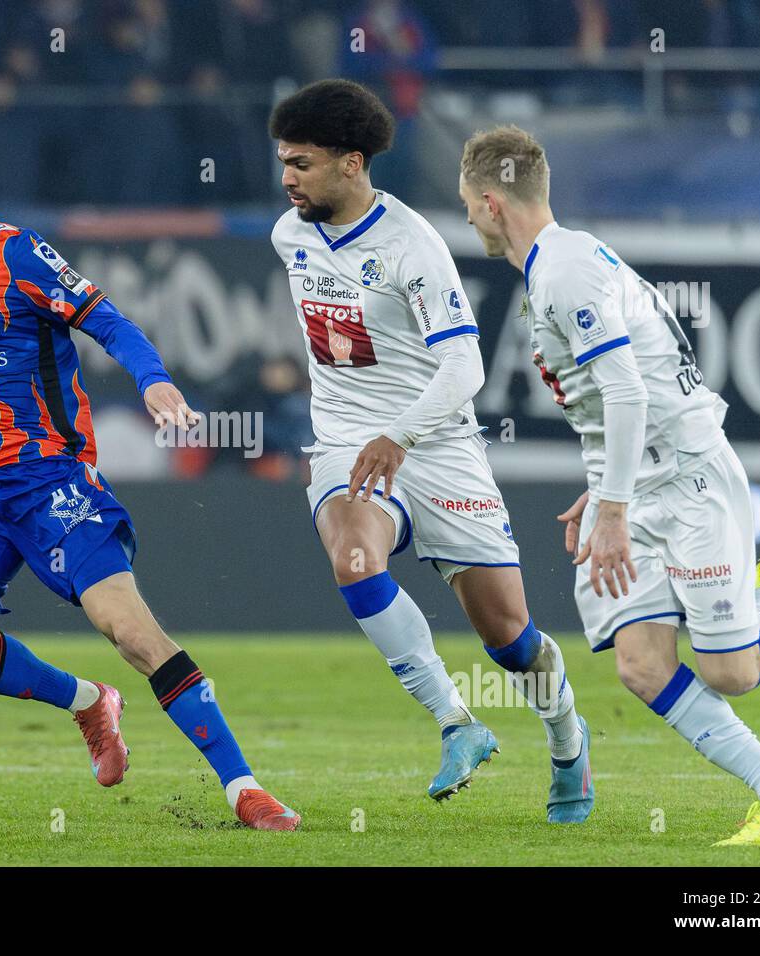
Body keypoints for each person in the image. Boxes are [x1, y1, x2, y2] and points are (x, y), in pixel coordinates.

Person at [0, 126, 299, 830]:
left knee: (133, 632)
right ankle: (88, 703)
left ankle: (245, 788)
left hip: (51, 478)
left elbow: (108, 322)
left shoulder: (14, 254)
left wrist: (155, 383)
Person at [459, 123, 760, 846]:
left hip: (687, 480)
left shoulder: (562, 272)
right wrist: (602, 488)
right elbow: (616, 399)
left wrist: (615, 506)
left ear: (493, 202)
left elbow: (626, 392)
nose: (467, 214)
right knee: (641, 665)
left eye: (468, 202)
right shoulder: (560, 265)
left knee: (730, 673)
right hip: (637, 484)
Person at [269, 80, 592, 823]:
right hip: (349, 440)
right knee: (353, 555)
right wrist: (370, 433)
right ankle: (457, 723)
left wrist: (401, 434)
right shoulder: (290, 233)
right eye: (283, 162)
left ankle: (568, 742)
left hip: (436, 442)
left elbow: (465, 368)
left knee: (508, 636)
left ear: (353, 164)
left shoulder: (413, 246)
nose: (288, 179)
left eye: (303, 164)